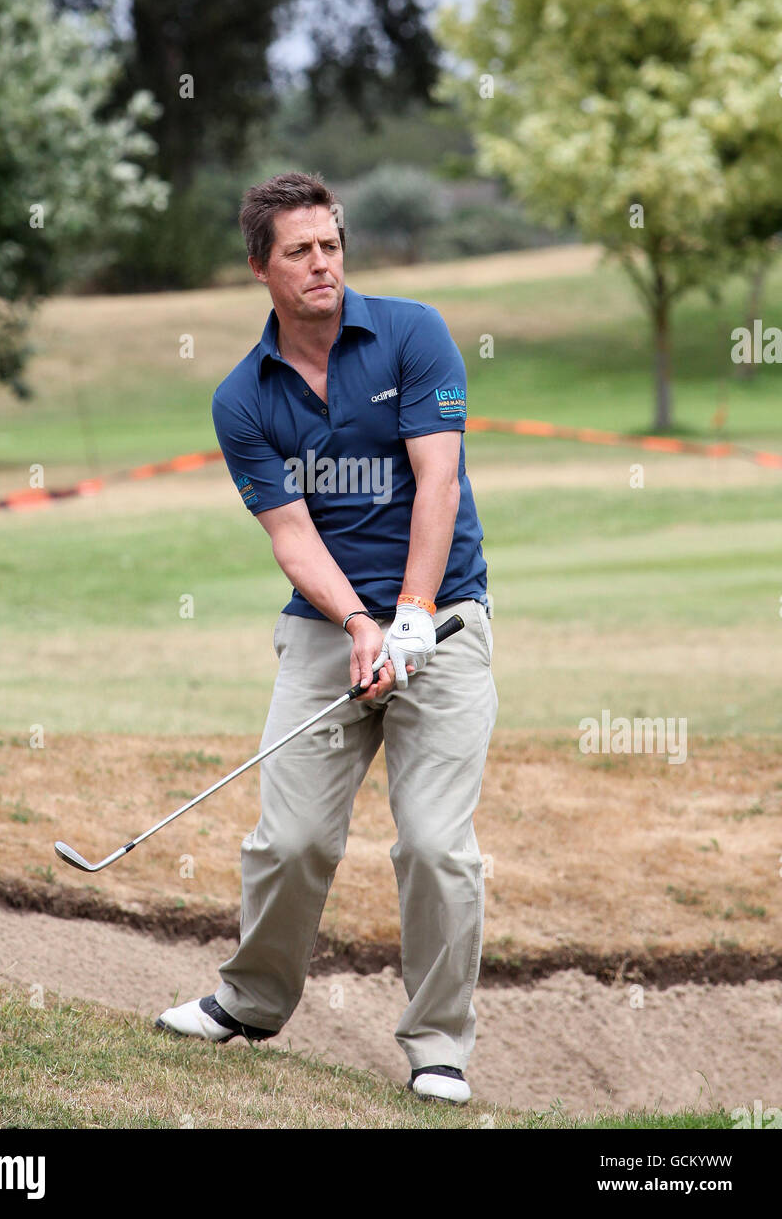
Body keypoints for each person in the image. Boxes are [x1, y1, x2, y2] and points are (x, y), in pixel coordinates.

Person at [156, 171, 498, 1105]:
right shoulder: (242, 400)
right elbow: (292, 536)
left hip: (447, 618)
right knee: (293, 838)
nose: (323, 264)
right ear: (261, 268)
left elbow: (439, 484)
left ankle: (438, 1048)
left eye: (332, 245)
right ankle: (251, 1004)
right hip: (324, 629)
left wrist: (414, 616)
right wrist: (358, 624)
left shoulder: (412, 334)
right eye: (300, 251)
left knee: (435, 845)